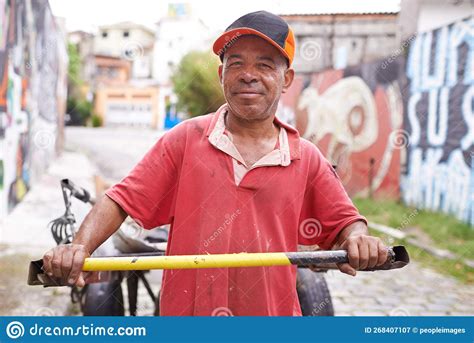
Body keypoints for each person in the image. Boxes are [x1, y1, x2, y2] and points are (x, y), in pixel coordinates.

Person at [42, 10, 388, 316]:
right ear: (222, 74)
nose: (247, 74)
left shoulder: (306, 158)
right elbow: (120, 200)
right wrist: (79, 247)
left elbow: (346, 222)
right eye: (236, 63)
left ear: (287, 79)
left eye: (265, 65)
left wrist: (360, 240)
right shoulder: (184, 140)